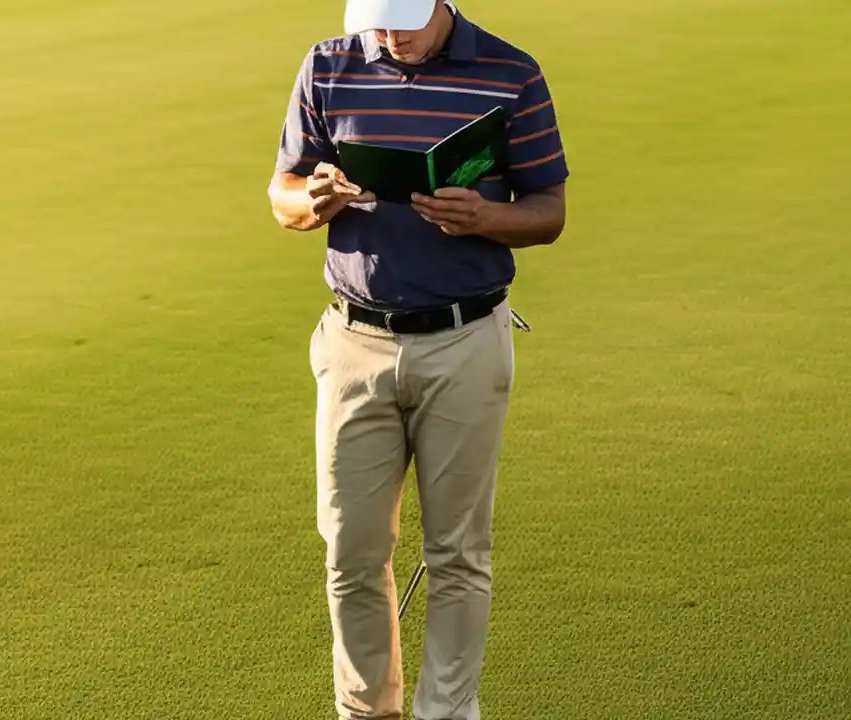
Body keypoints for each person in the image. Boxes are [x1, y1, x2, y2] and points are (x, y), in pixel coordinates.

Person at [266, 1, 569, 718]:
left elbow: (549, 209)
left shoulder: (510, 72)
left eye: (404, 18)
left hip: (465, 339)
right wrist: (314, 198)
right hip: (353, 342)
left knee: (458, 554)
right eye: (379, 20)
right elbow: (282, 196)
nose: (390, 34)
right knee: (349, 554)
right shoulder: (329, 65)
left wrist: (485, 218)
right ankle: (367, 712)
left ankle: (447, 712)